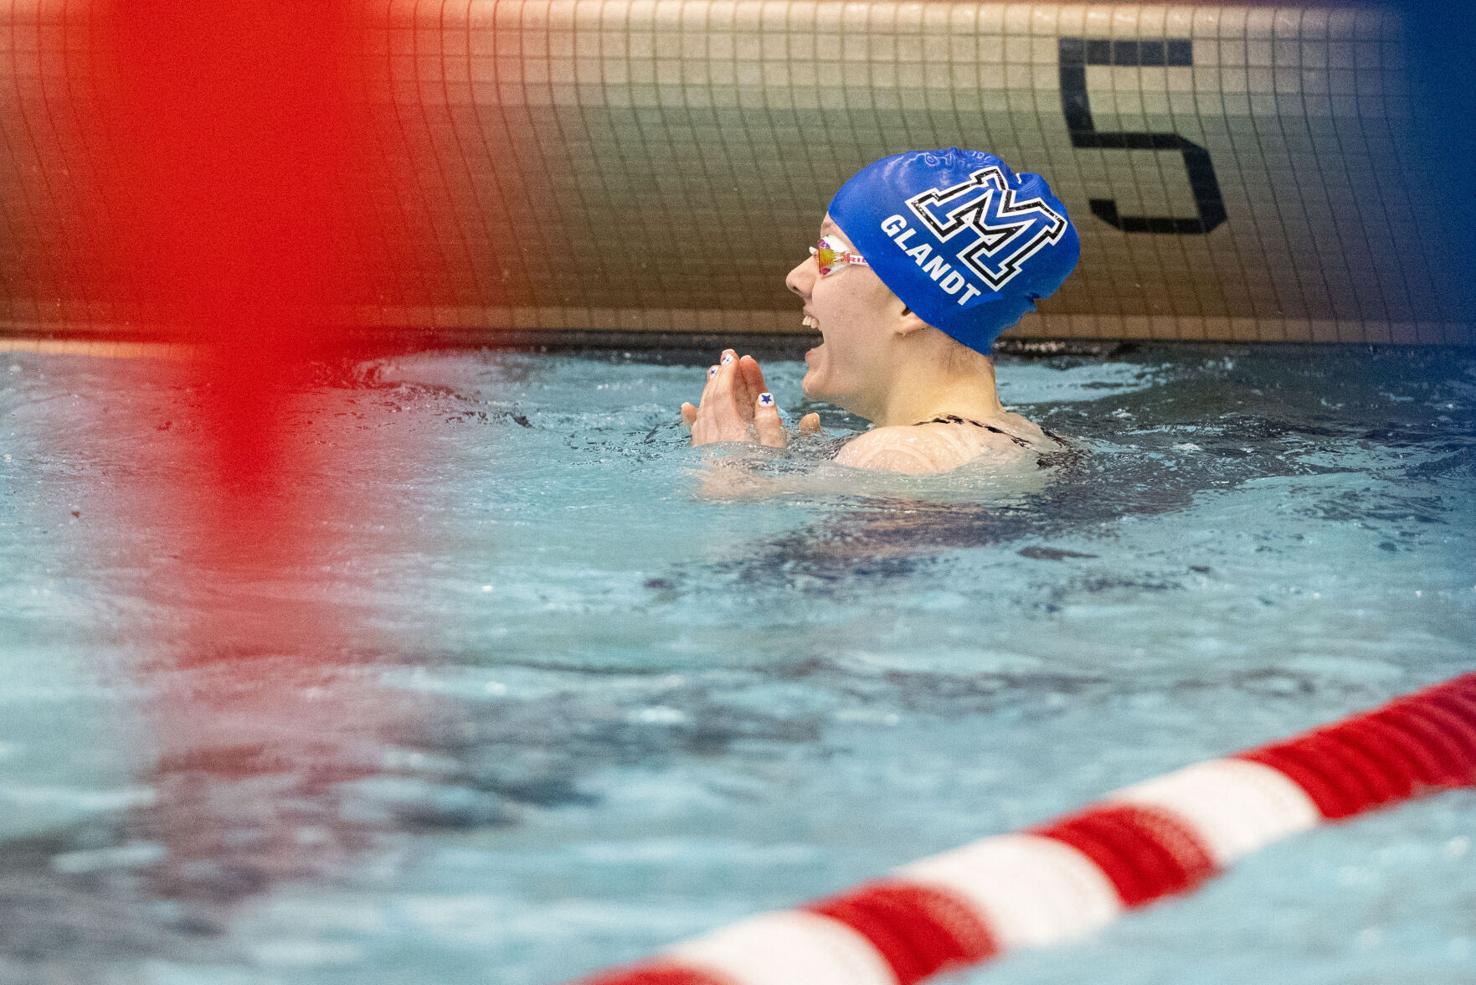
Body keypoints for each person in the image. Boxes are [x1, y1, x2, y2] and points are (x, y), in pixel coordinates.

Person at [681, 148, 1080, 475]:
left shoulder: (896, 455)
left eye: (828, 255)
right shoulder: (1031, 440)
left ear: (910, 306)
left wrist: (729, 473)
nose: (797, 278)